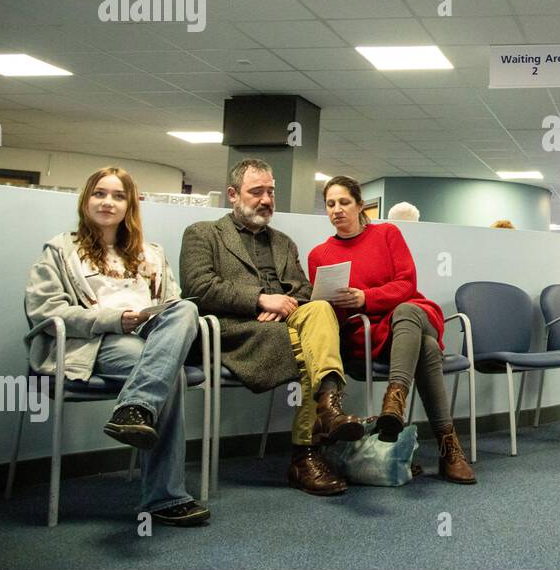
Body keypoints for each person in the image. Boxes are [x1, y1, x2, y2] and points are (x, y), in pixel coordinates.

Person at [24, 167, 210, 526]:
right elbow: (46, 311)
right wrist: (114, 320)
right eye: (99, 194)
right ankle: (166, 497)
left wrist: (149, 318)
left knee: (186, 307)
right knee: (166, 373)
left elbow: (171, 305)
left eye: (118, 196)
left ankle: (135, 409)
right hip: (98, 343)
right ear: (86, 200)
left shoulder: (151, 253)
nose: (108, 202)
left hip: (151, 338)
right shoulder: (61, 250)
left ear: (130, 205)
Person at [180, 159, 367, 496]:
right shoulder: (203, 233)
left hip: (282, 324)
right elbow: (198, 288)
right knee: (312, 344)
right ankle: (307, 450)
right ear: (233, 194)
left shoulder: (283, 242)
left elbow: (302, 290)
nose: (266, 200)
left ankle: (325, 411)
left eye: (271, 192)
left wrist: (283, 306)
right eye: (257, 192)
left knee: (321, 308)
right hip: (234, 331)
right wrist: (260, 300)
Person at [308, 176, 475, 484]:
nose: (337, 210)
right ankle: (448, 447)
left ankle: (394, 399)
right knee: (426, 347)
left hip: (412, 313)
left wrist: (365, 296)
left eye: (344, 202)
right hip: (367, 334)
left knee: (407, 310)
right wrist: (346, 302)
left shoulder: (387, 233)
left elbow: (406, 284)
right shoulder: (320, 254)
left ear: (360, 206)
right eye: (330, 204)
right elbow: (325, 312)